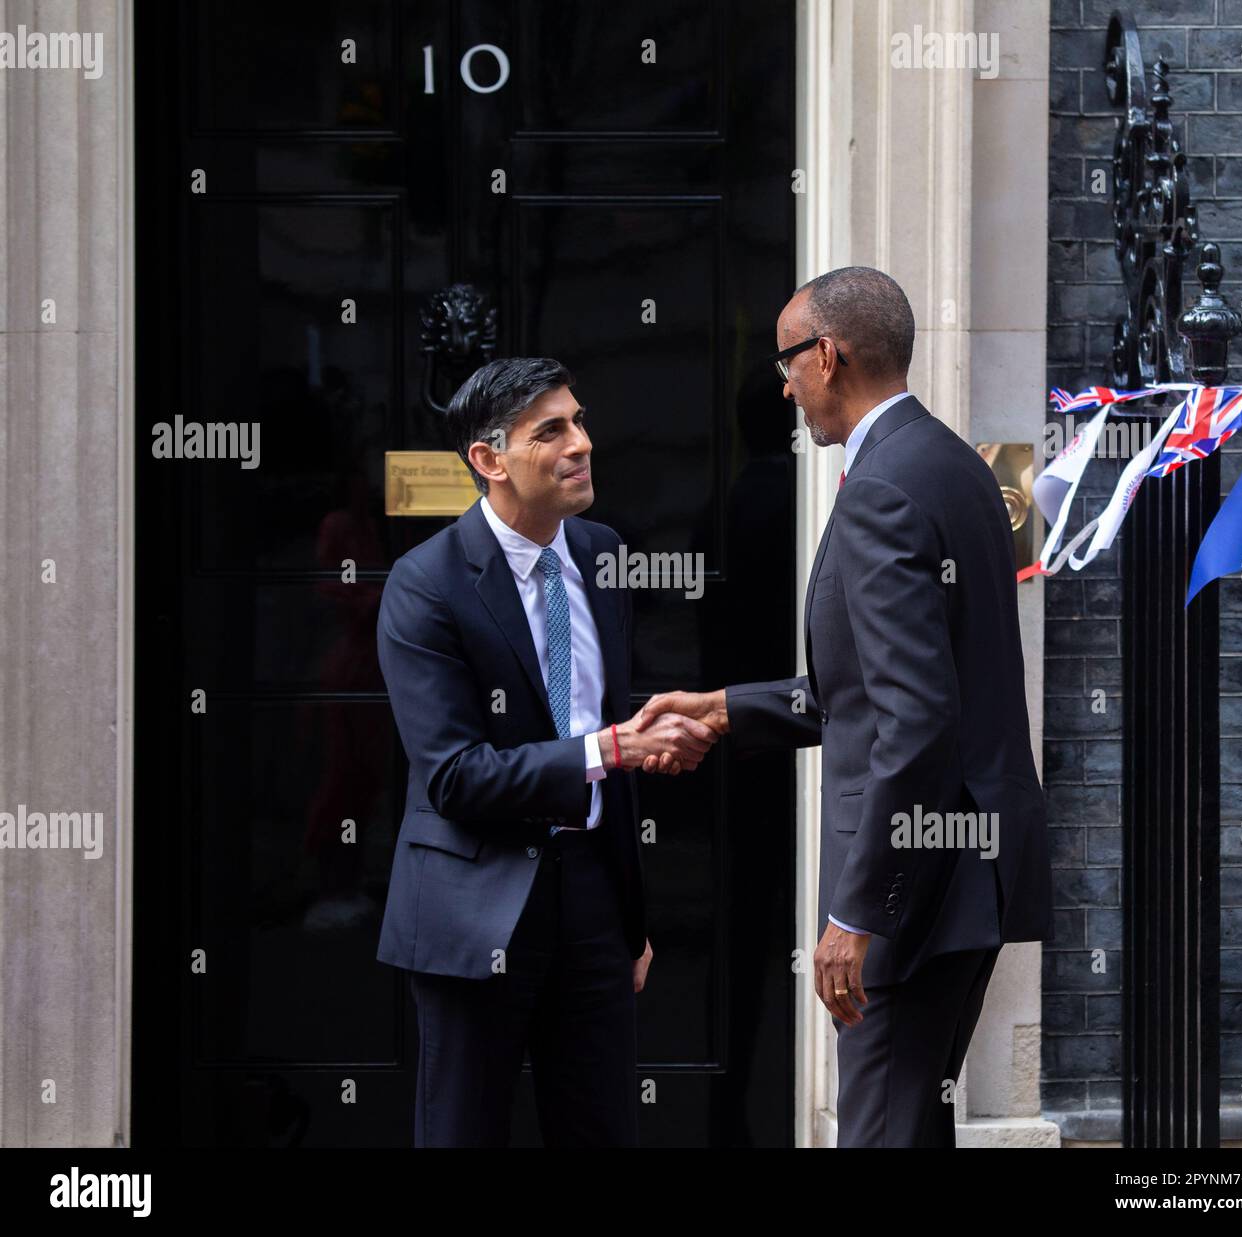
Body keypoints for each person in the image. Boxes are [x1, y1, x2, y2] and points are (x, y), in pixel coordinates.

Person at [640, 266, 1054, 1147]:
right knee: (913, 1127)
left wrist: (857, 912)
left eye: (788, 361)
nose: (783, 385)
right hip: (967, 874)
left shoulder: (879, 490)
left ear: (825, 355)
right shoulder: (955, 464)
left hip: (914, 896)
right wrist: (723, 707)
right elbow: (880, 689)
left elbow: (914, 722)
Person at [375, 357, 717, 1147]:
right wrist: (610, 747)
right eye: (551, 431)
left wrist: (629, 914)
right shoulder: (425, 584)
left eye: (580, 421)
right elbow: (456, 776)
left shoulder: (603, 554)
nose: (581, 444)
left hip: (594, 899)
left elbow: (599, 724)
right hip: (473, 907)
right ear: (489, 460)